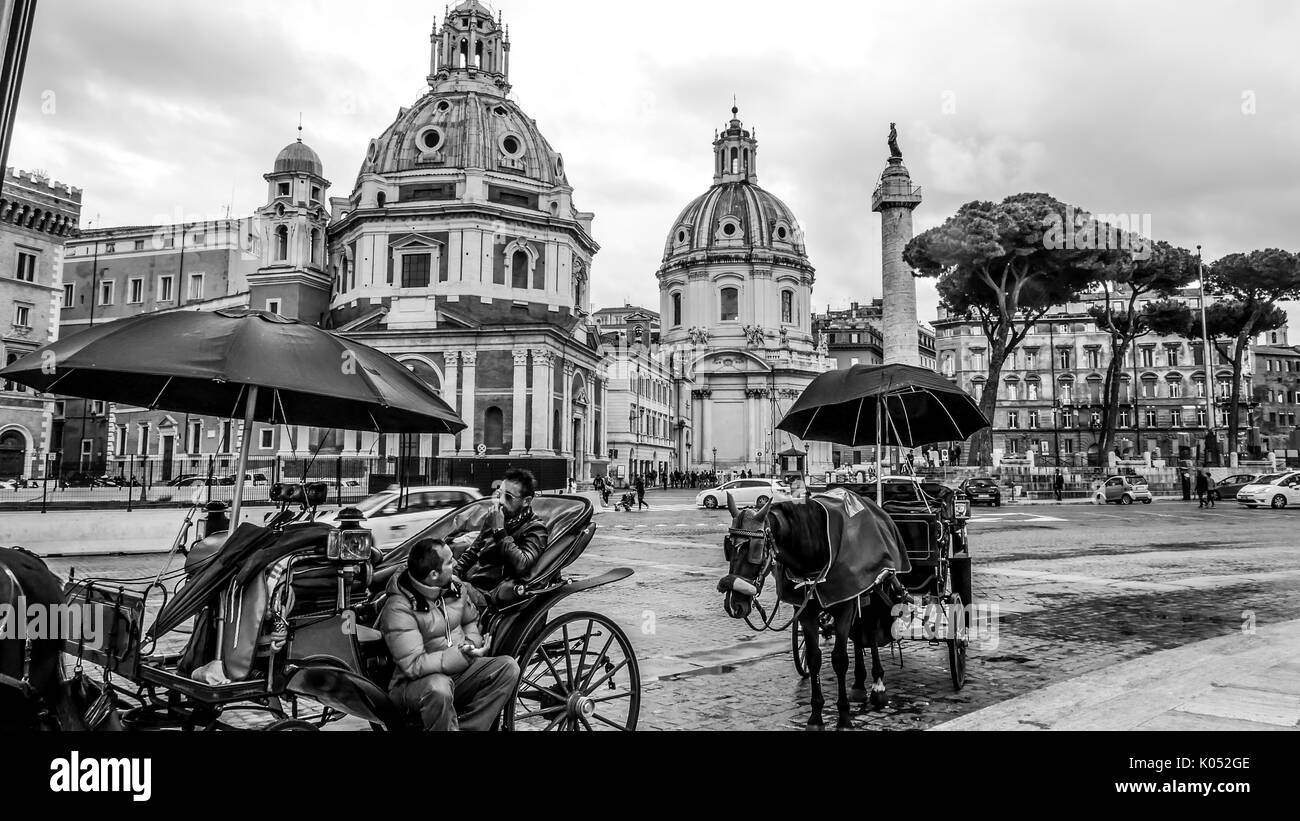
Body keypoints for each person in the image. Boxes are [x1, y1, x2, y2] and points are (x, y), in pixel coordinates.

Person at [380, 538, 520, 731]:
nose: (455, 564)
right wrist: (461, 654)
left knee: (507, 667)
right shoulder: (398, 608)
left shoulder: (456, 587)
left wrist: (472, 645)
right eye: (449, 561)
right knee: (439, 687)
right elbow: (414, 665)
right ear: (434, 574)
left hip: (458, 672)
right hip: (413, 685)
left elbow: (471, 621)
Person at [454, 468, 549, 602]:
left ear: (526, 501)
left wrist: (499, 530)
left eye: (509, 497)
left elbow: (522, 564)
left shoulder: (535, 529)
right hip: (470, 582)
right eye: (500, 494)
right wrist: (454, 573)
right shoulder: (497, 516)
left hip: (488, 594)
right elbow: (474, 550)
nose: (502, 501)